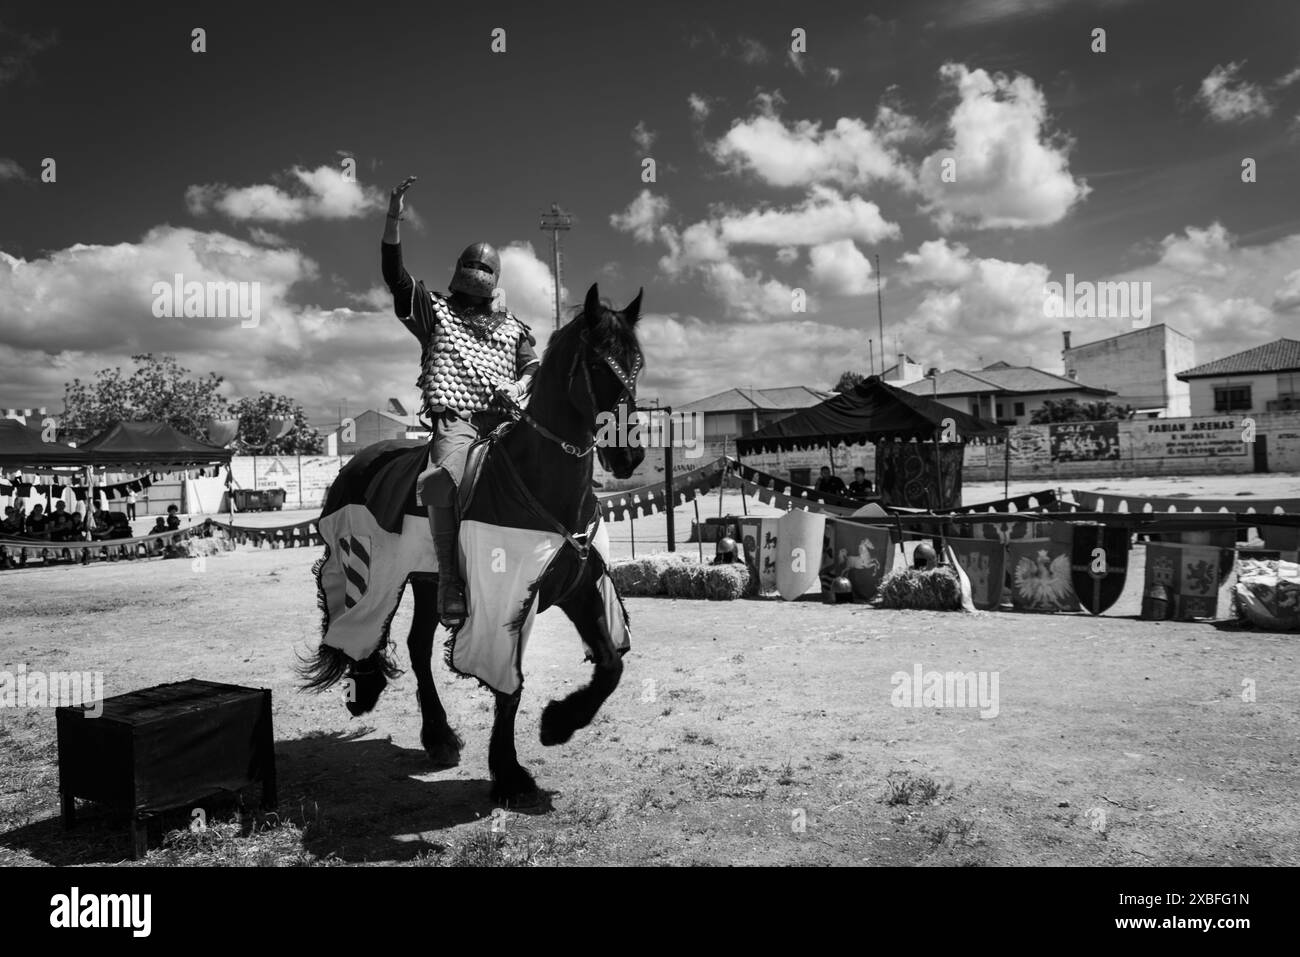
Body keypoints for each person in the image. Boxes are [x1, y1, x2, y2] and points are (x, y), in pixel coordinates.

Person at [381, 175, 540, 626]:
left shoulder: (513, 327)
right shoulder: (435, 312)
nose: (478, 274)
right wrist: (394, 217)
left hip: (506, 419)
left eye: (485, 270)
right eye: (473, 266)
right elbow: (395, 276)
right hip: (458, 422)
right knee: (440, 479)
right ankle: (450, 578)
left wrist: (520, 386)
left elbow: (533, 367)